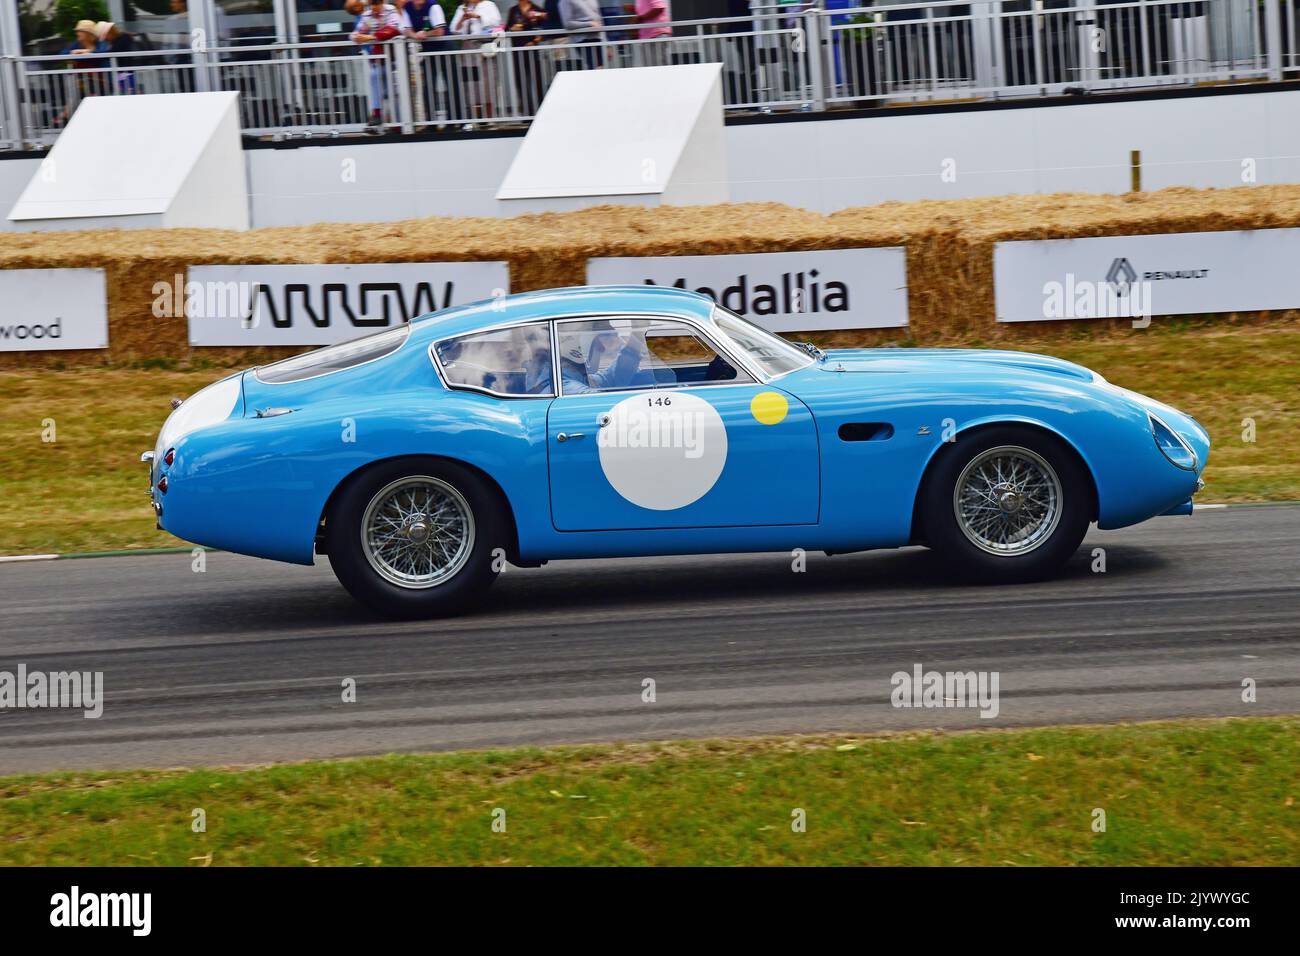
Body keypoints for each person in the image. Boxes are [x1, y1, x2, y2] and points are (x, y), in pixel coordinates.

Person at [526, 327, 647, 394]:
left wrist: (636, 337)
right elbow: (600, 402)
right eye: (599, 345)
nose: (603, 349)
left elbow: (611, 378)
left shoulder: (567, 377)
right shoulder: (566, 387)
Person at [449, 0, 504, 127]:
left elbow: (497, 23)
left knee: (488, 82)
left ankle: (489, 118)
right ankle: (475, 119)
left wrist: (478, 16)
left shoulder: (488, 5)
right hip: (468, 48)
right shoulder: (462, 8)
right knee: (471, 84)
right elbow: (453, 29)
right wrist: (463, 19)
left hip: (484, 46)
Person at [351, 0, 404, 131]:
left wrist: (369, 37)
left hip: (397, 59)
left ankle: (397, 122)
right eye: (372, 4)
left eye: (377, 3)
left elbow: (393, 30)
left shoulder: (390, 10)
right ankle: (379, 114)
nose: (374, 7)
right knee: (376, 78)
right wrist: (357, 37)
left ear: (382, 3)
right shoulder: (367, 15)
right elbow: (355, 33)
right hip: (379, 59)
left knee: (394, 91)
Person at [505, 0, 548, 114]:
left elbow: (544, 29)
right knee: (520, 80)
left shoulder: (536, 8)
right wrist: (511, 29)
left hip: (532, 49)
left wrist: (534, 41)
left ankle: (541, 110)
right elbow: (506, 29)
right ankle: (526, 111)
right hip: (517, 49)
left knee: (537, 79)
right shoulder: (513, 10)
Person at [95, 22, 140, 93]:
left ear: (109, 32)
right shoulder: (121, 38)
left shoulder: (123, 38)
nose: (105, 39)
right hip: (123, 73)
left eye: (105, 36)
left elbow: (112, 52)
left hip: (126, 73)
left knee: (128, 96)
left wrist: (92, 53)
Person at [558, 0, 602, 69]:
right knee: (595, 68)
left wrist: (607, 45)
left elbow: (599, 20)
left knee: (600, 68)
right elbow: (567, 24)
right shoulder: (565, 1)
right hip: (582, 39)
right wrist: (589, 24)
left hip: (597, 38)